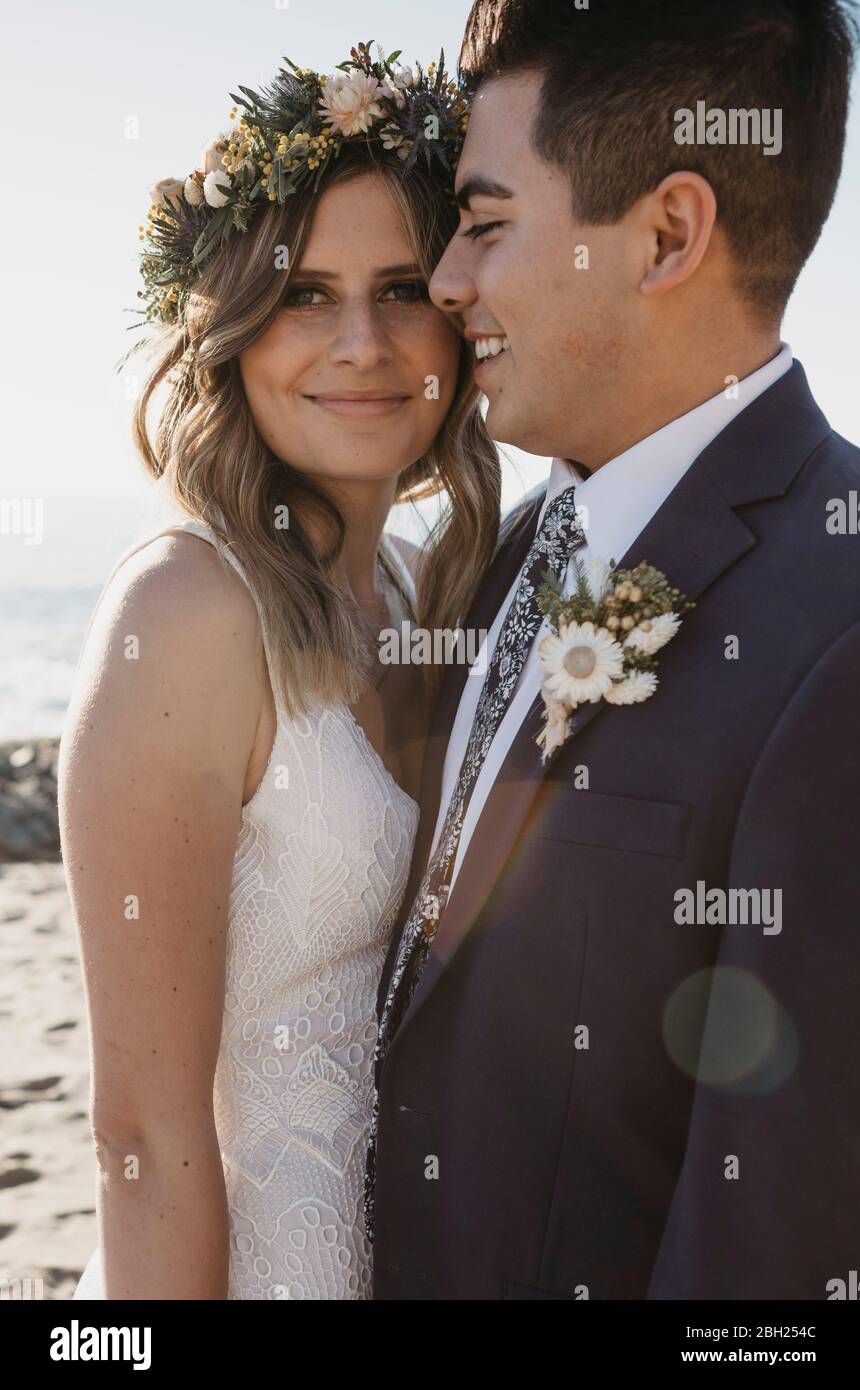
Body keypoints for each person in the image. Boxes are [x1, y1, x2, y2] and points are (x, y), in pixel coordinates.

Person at [367, 0, 860, 1299]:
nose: (445, 282)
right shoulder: (495, 545)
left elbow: (767, 1250)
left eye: (482, 223)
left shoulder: (844, 622)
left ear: (663, 235)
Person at [62, 43, 500, 1300]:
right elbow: (140, 1137)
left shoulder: (421, 586)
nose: (359, 343)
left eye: (402, 287)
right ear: (233, 332)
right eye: (305, 293)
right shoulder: (188, 611)